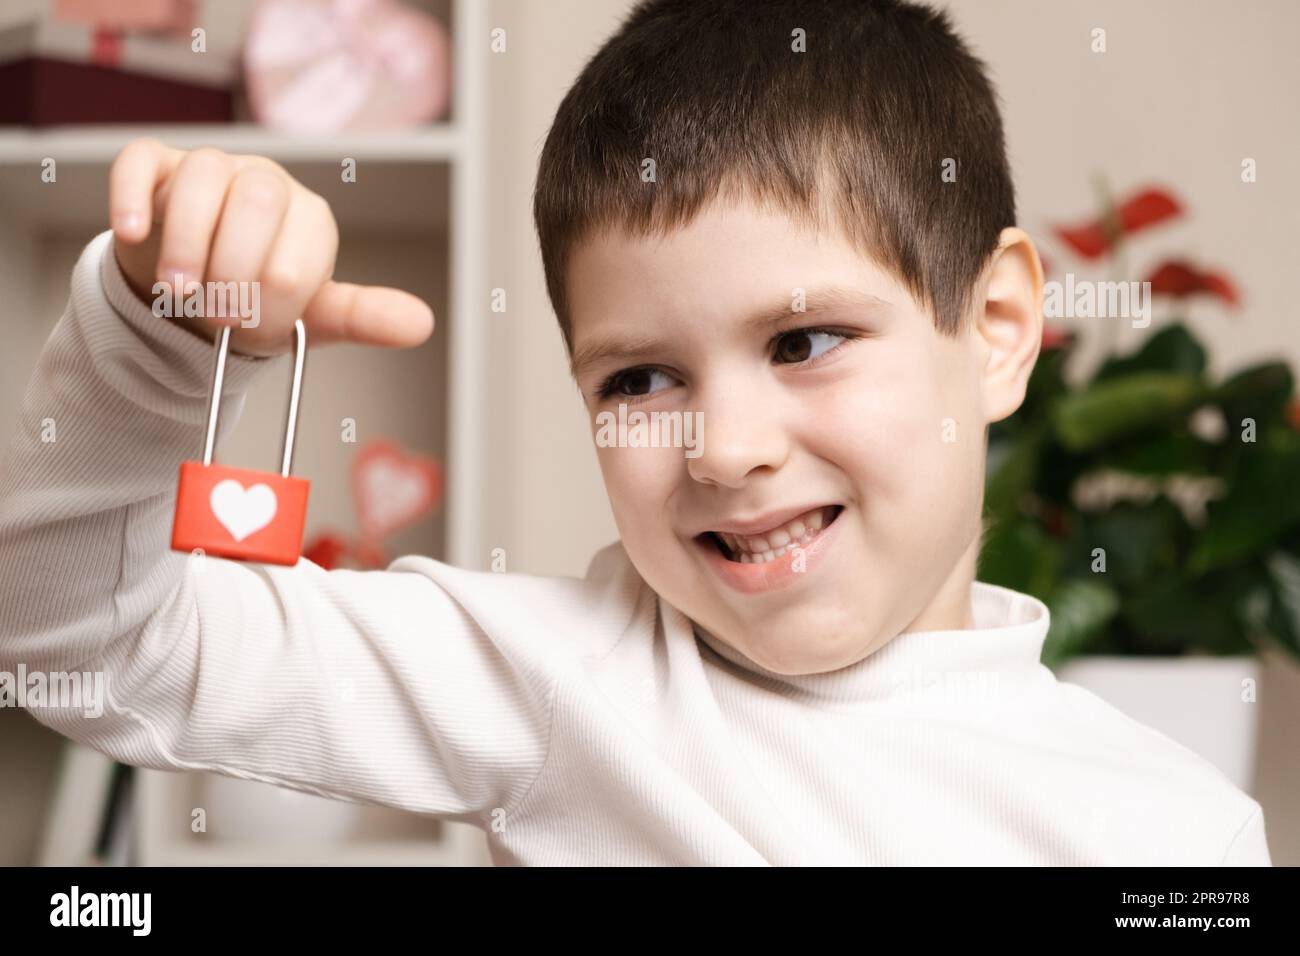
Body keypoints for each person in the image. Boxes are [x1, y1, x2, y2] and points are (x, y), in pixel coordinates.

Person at [0, 0, 1269, 865]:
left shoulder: (1174, 831)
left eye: (802, 341)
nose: (723, 448)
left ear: (994, 325)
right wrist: (164, 330)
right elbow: (77, 639)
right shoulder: (555, 679)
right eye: (640, 378)